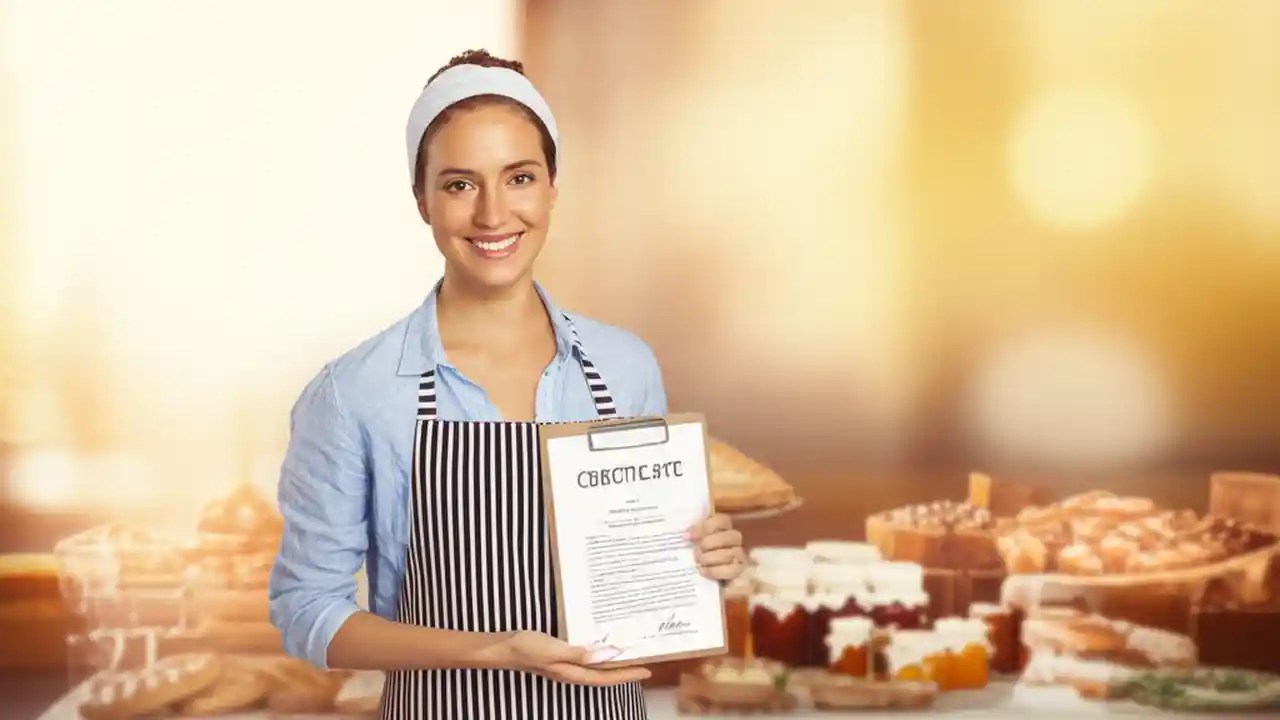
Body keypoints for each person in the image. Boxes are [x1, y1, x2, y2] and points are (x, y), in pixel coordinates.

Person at [268, 49, 747, 718]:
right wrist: (491, 652)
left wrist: (703, 564)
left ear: (553, 185)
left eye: (518, 177)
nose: (494, 214)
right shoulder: (354, 394)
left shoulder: (625, 366)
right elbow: (308, 612)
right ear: (421, 200)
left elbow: (645, 596)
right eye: (460, 184)